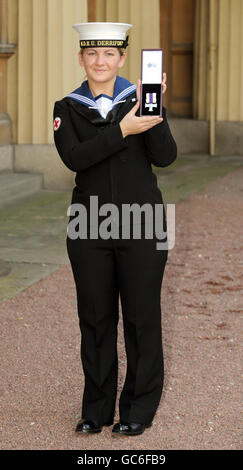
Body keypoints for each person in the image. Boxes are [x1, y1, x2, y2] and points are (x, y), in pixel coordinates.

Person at [53, 22, 177, 437]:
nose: (100, 61)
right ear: (82, 59)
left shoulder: (138, 100)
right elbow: (75, 158)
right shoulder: (66, 108)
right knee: (95, 318)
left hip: (143, 223)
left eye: (109, 54)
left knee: (142, 318)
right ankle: (96, 408)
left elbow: (166, 156)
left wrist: (152, 113)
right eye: (92, 54)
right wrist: (123, 129)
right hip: (88, 226)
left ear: (122, 58)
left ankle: (138, 408)